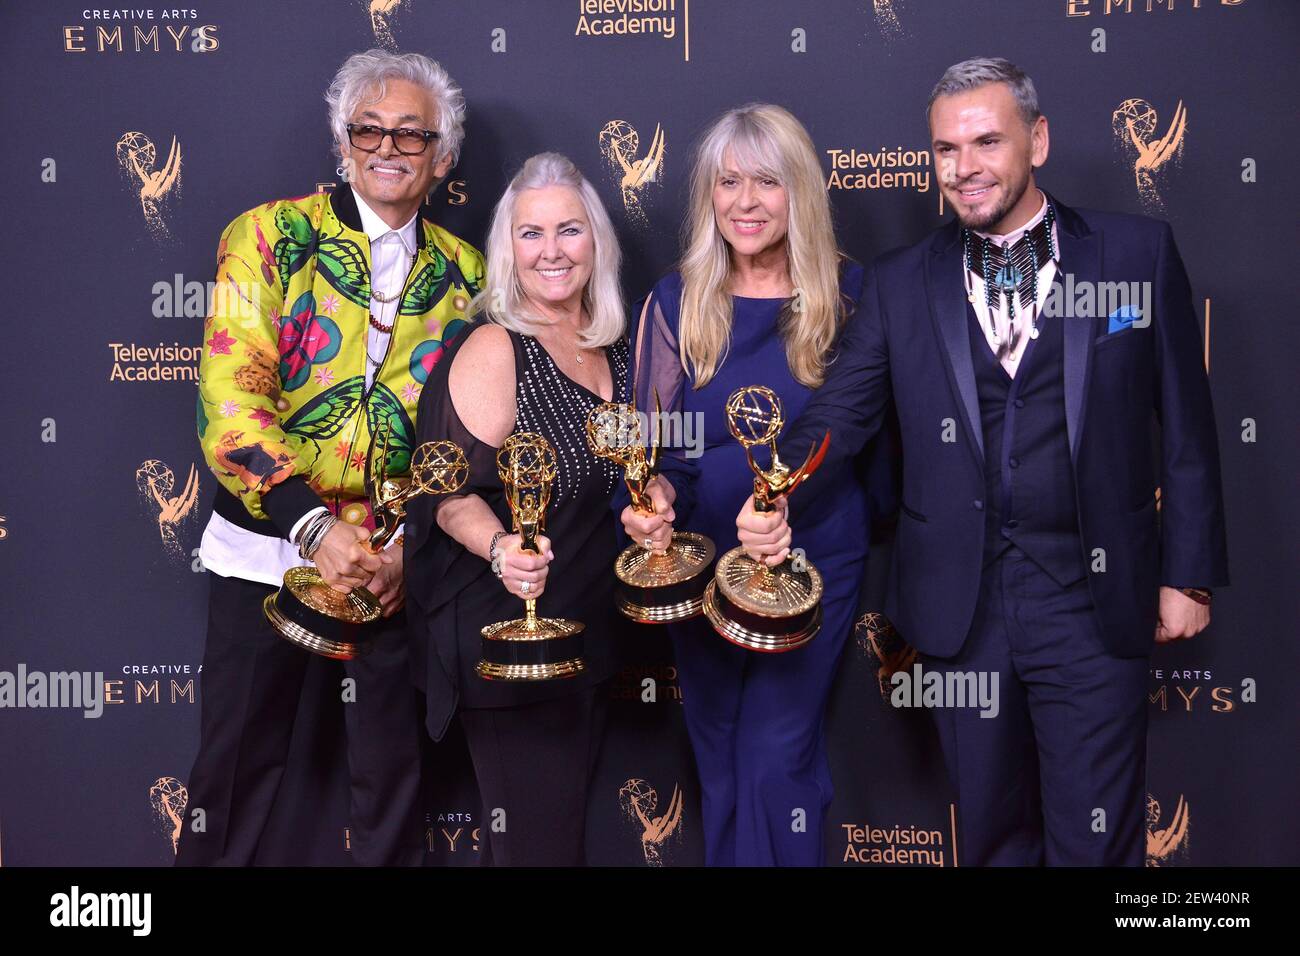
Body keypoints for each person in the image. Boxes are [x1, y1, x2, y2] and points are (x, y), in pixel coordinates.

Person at [736, 58, 1228, 865]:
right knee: (993, 841)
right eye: (944, 150)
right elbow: (839, 414)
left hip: (1095, 600)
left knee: (1097, 842)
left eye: (986, 141)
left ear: (1037, 139)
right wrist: (775, 485)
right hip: (962, 612)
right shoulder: (900, 285)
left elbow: (1186, 422)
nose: (964, 168)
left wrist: (1190, 573)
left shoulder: (1134, 254)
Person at [179, 49, 484, 866]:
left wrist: (408, 551)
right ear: (342, 145)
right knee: (233, 778)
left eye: (410, 136)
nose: (387, 148)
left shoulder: (468, 277)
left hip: (388, 571)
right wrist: (311, 528)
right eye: (368, 131)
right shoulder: (267, 235)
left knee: (391, 786)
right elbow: (229, 403)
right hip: (266, 550)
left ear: (442, 158)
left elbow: (459, 447)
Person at [621, 104, 887, 866]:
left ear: (799, 190)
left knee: (776, 755)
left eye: (766, 181)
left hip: (808, 562)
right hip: (700, 565)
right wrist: (656, 502)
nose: (744, 201)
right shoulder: (676, 300)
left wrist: (791, 513)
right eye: (727, 181)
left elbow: (858, 432)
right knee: (719, 751)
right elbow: (656, 442)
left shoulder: (852, 296)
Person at [404, 152, 628, 866]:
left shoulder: (614, 348)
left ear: (597, 242)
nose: (552, 251)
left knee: (555, 840)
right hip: (509, 642)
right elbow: (443, 493)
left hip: (586, 633)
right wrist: (503, 548)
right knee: (537, 847)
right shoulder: (497, 346)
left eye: (569, 230)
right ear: (508, 250)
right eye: (530, 234)